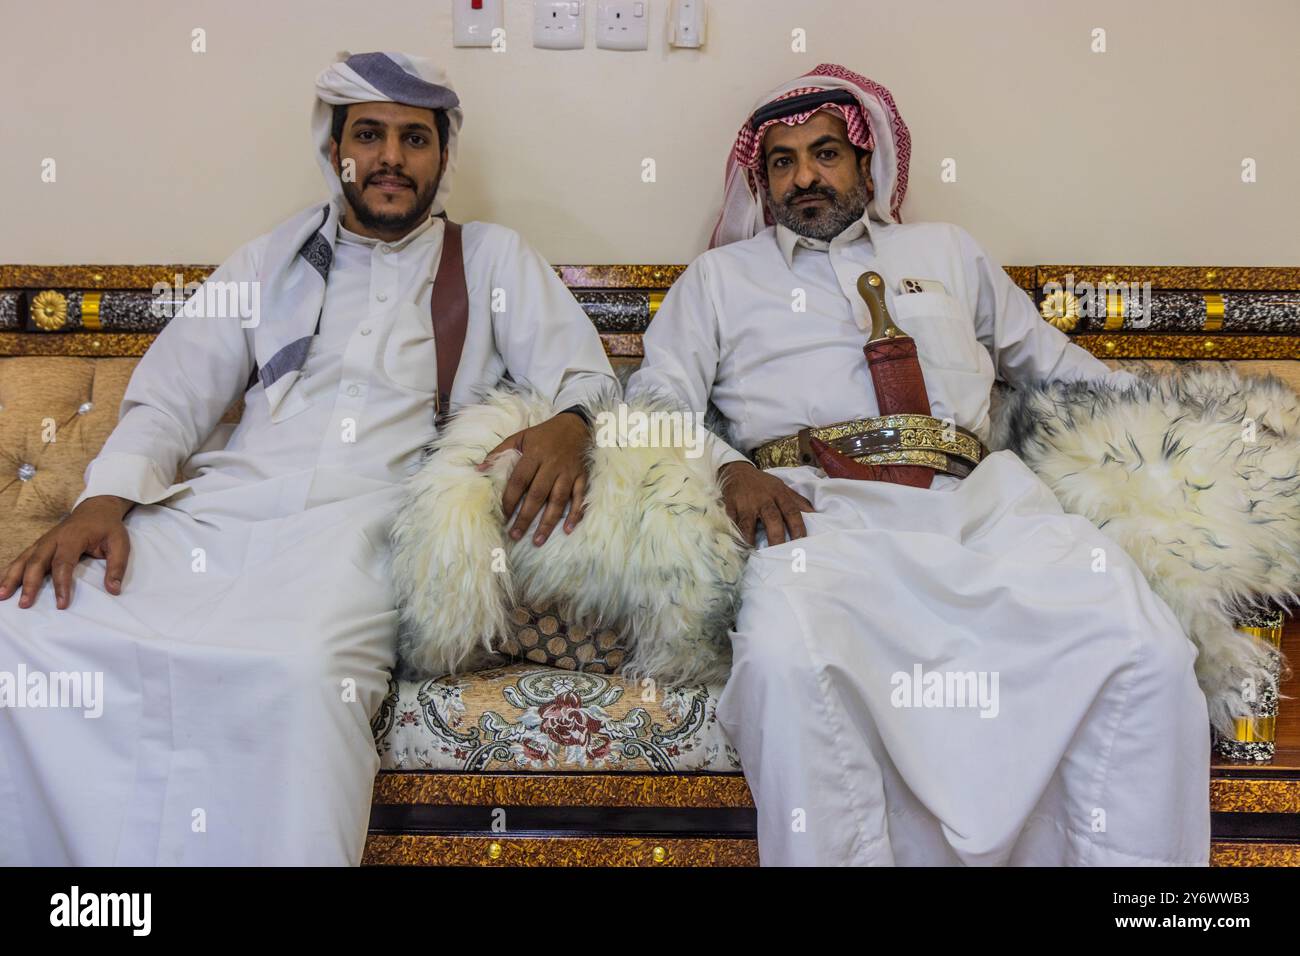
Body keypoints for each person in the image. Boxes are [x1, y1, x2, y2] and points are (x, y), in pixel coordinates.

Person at [0, 51, 616, 865]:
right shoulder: (269, 259)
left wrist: (570, 423)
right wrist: (102, 501)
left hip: (365, 526)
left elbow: (587, 380)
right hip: (217, 514)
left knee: (300, 672)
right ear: (337, 152)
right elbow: (174, 392)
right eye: (370, 135)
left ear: (442, 158)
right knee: (27, 633)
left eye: (414, 138)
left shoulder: (492, 260)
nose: (392, 157)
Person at [625, 63, 1211, 866]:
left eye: (825, 154)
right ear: (761, 180)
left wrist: (1194, 419)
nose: (806, 177)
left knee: (1143, 646)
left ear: (866, 164)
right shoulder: (720, 280)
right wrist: (730, 470)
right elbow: (654, 407)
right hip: (820, 515)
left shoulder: (946, 252)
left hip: (984, 510)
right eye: (783, 162)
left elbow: (1051, 362)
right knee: (786, 662)